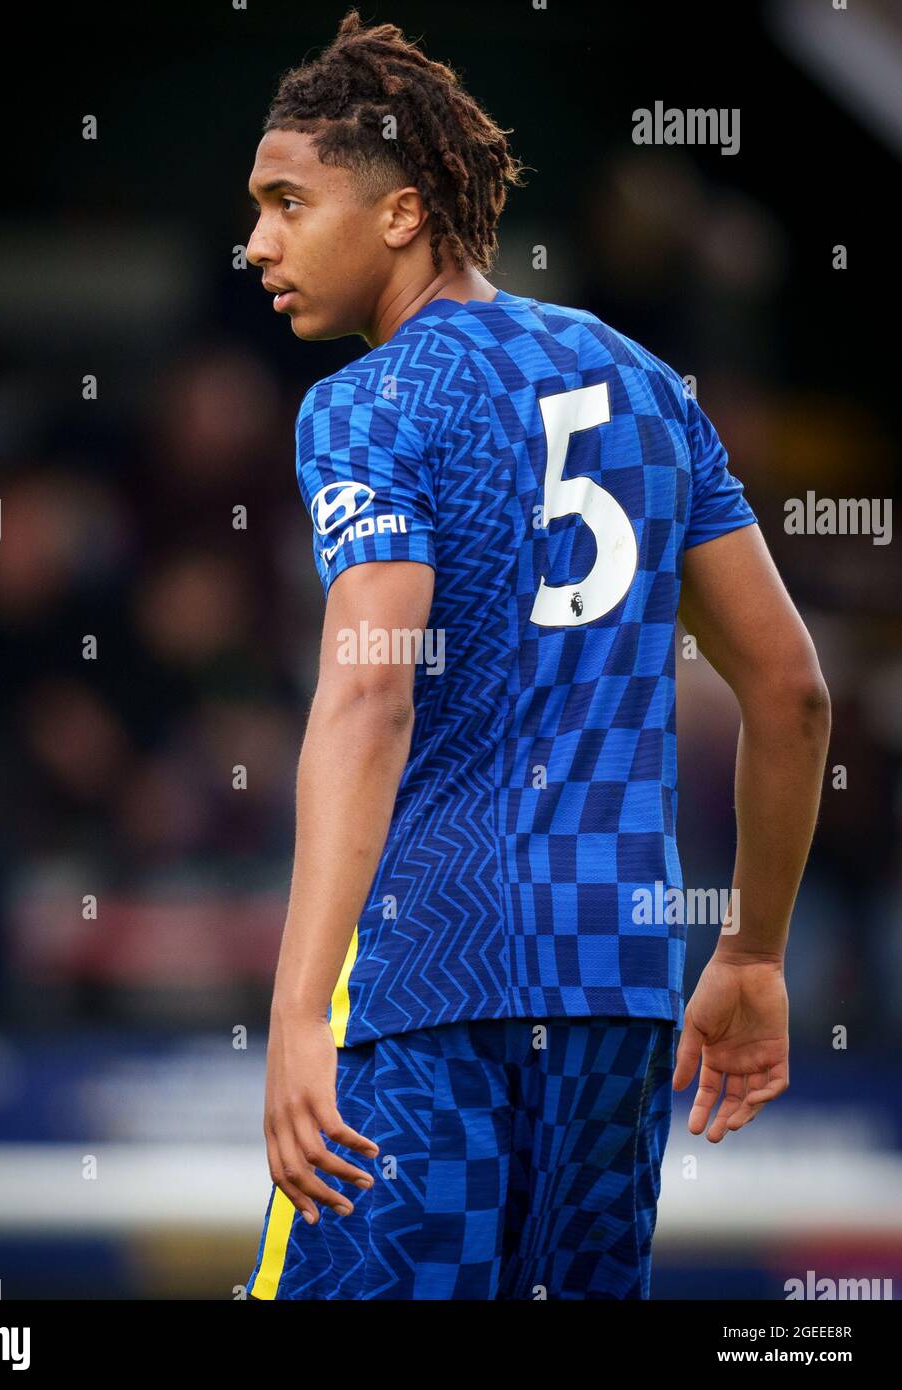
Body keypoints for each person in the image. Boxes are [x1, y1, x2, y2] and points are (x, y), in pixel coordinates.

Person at [243, 9, 831, 1300]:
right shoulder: (652, 386)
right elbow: (791, 692)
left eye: (288, 202)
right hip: (620, 989)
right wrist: (752, 955)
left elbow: (370, 686)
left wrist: (294, 1012)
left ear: (400, 212)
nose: (257, 243)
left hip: (426, 975)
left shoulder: (363, 404)